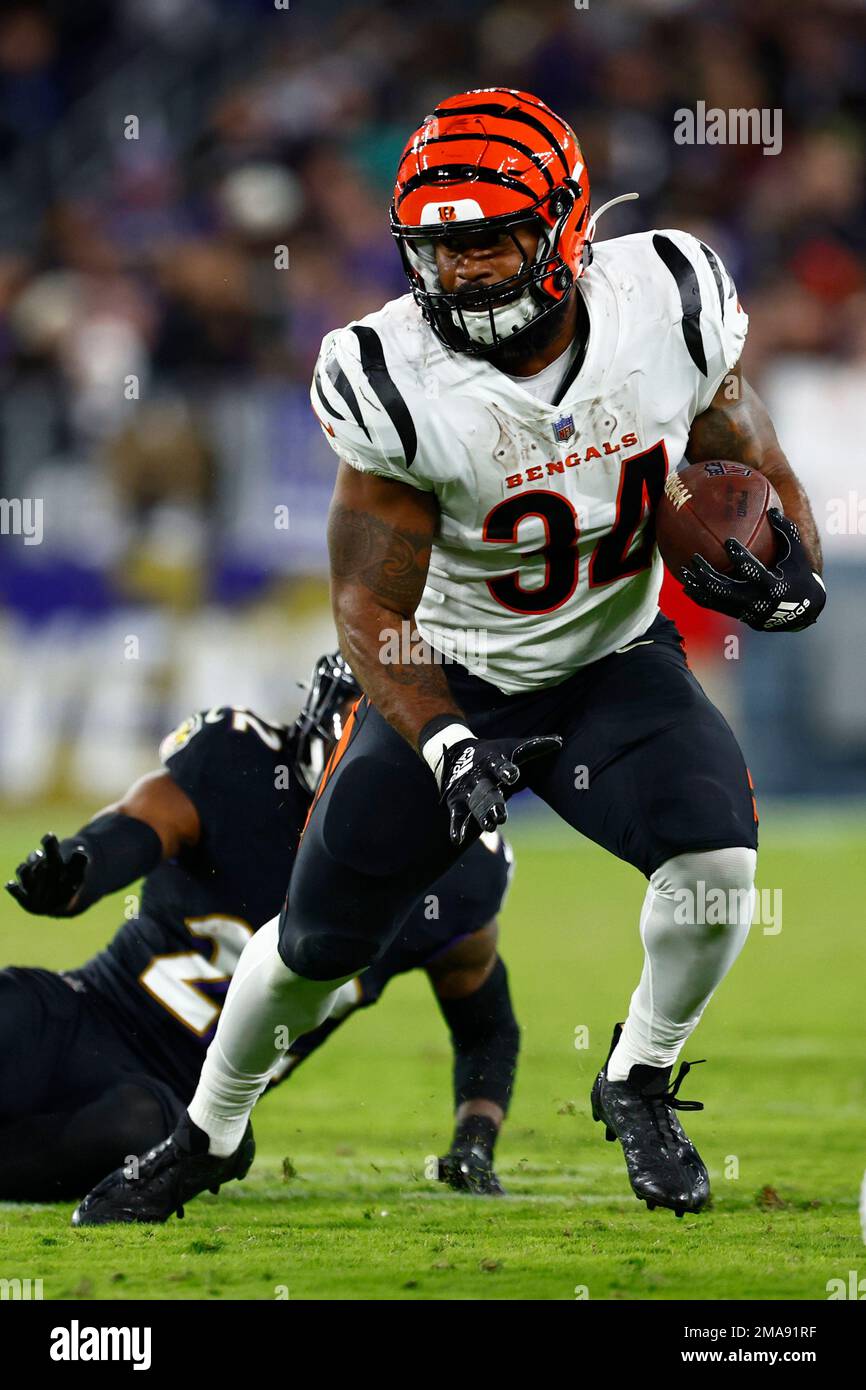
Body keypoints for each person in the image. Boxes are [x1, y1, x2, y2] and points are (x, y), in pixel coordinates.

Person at [73, 88, 825, 1227]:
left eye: (490, 240)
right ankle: (206, 1133)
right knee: (315, 944)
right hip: (453, 668)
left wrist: (791, 565)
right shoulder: (391, 377)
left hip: (608, 661)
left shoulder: (667, 297)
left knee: (717, 867)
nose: (465, 270)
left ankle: (635, 1075)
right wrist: (443, 739)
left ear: (568, 227)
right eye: (440, 246)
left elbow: (740, 448)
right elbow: (368, 605)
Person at [3, 655, 517, 1200]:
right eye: (376, 716)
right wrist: (79, 869)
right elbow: (137, 825)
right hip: (85, 1009)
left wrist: (475, 1141)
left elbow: (485, 1025)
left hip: (178, 1098)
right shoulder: (238, 762)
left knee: (130, 1134)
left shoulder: (456, 870)